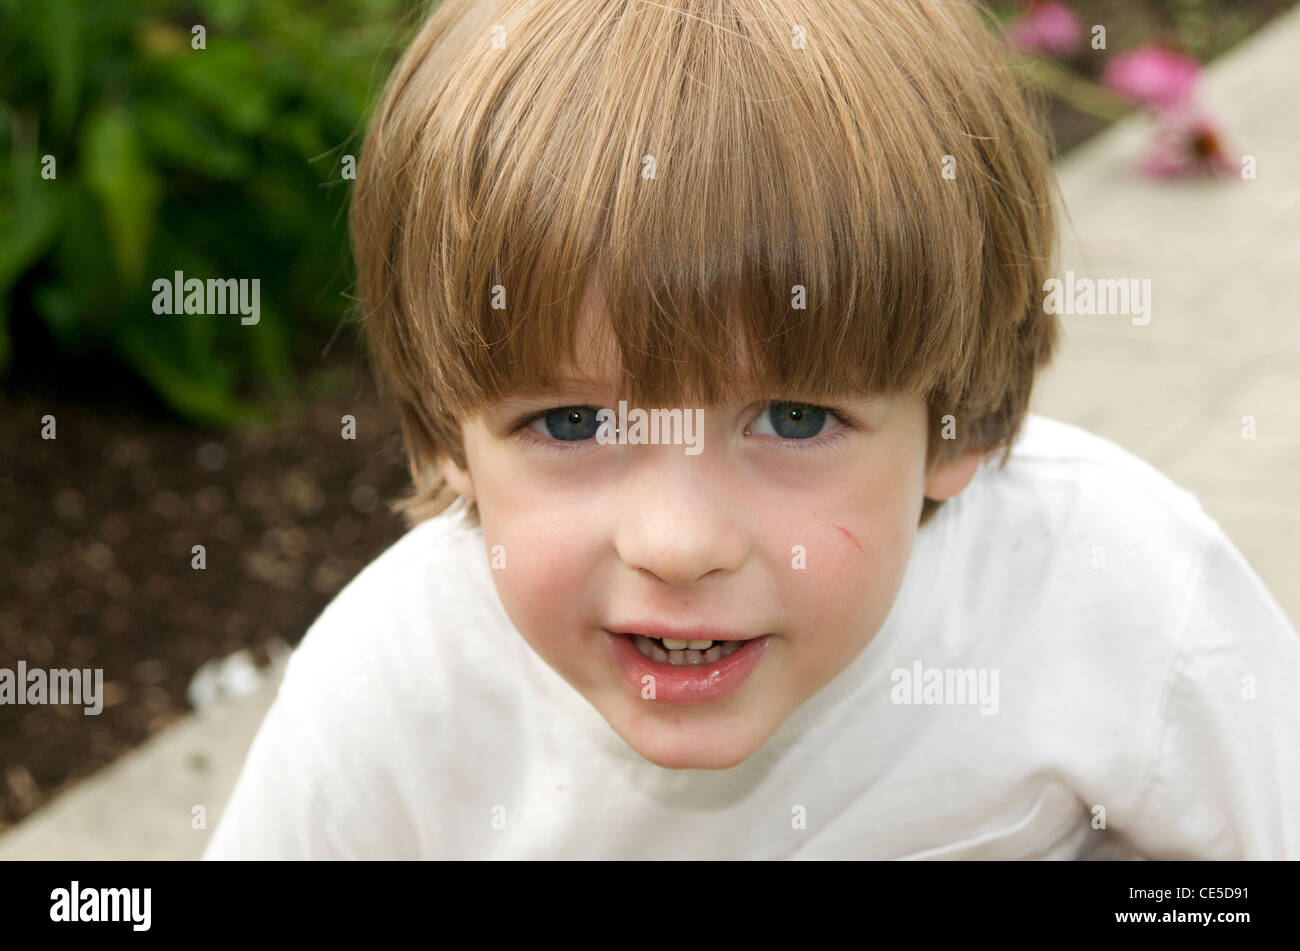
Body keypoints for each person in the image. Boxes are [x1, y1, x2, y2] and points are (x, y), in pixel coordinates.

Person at [203, 0, 1300, 859]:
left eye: (793, 417)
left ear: (962, 417)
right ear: (449, 432)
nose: (677, 544)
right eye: (573, 421)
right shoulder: (396, 688)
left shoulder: (1112, 588)